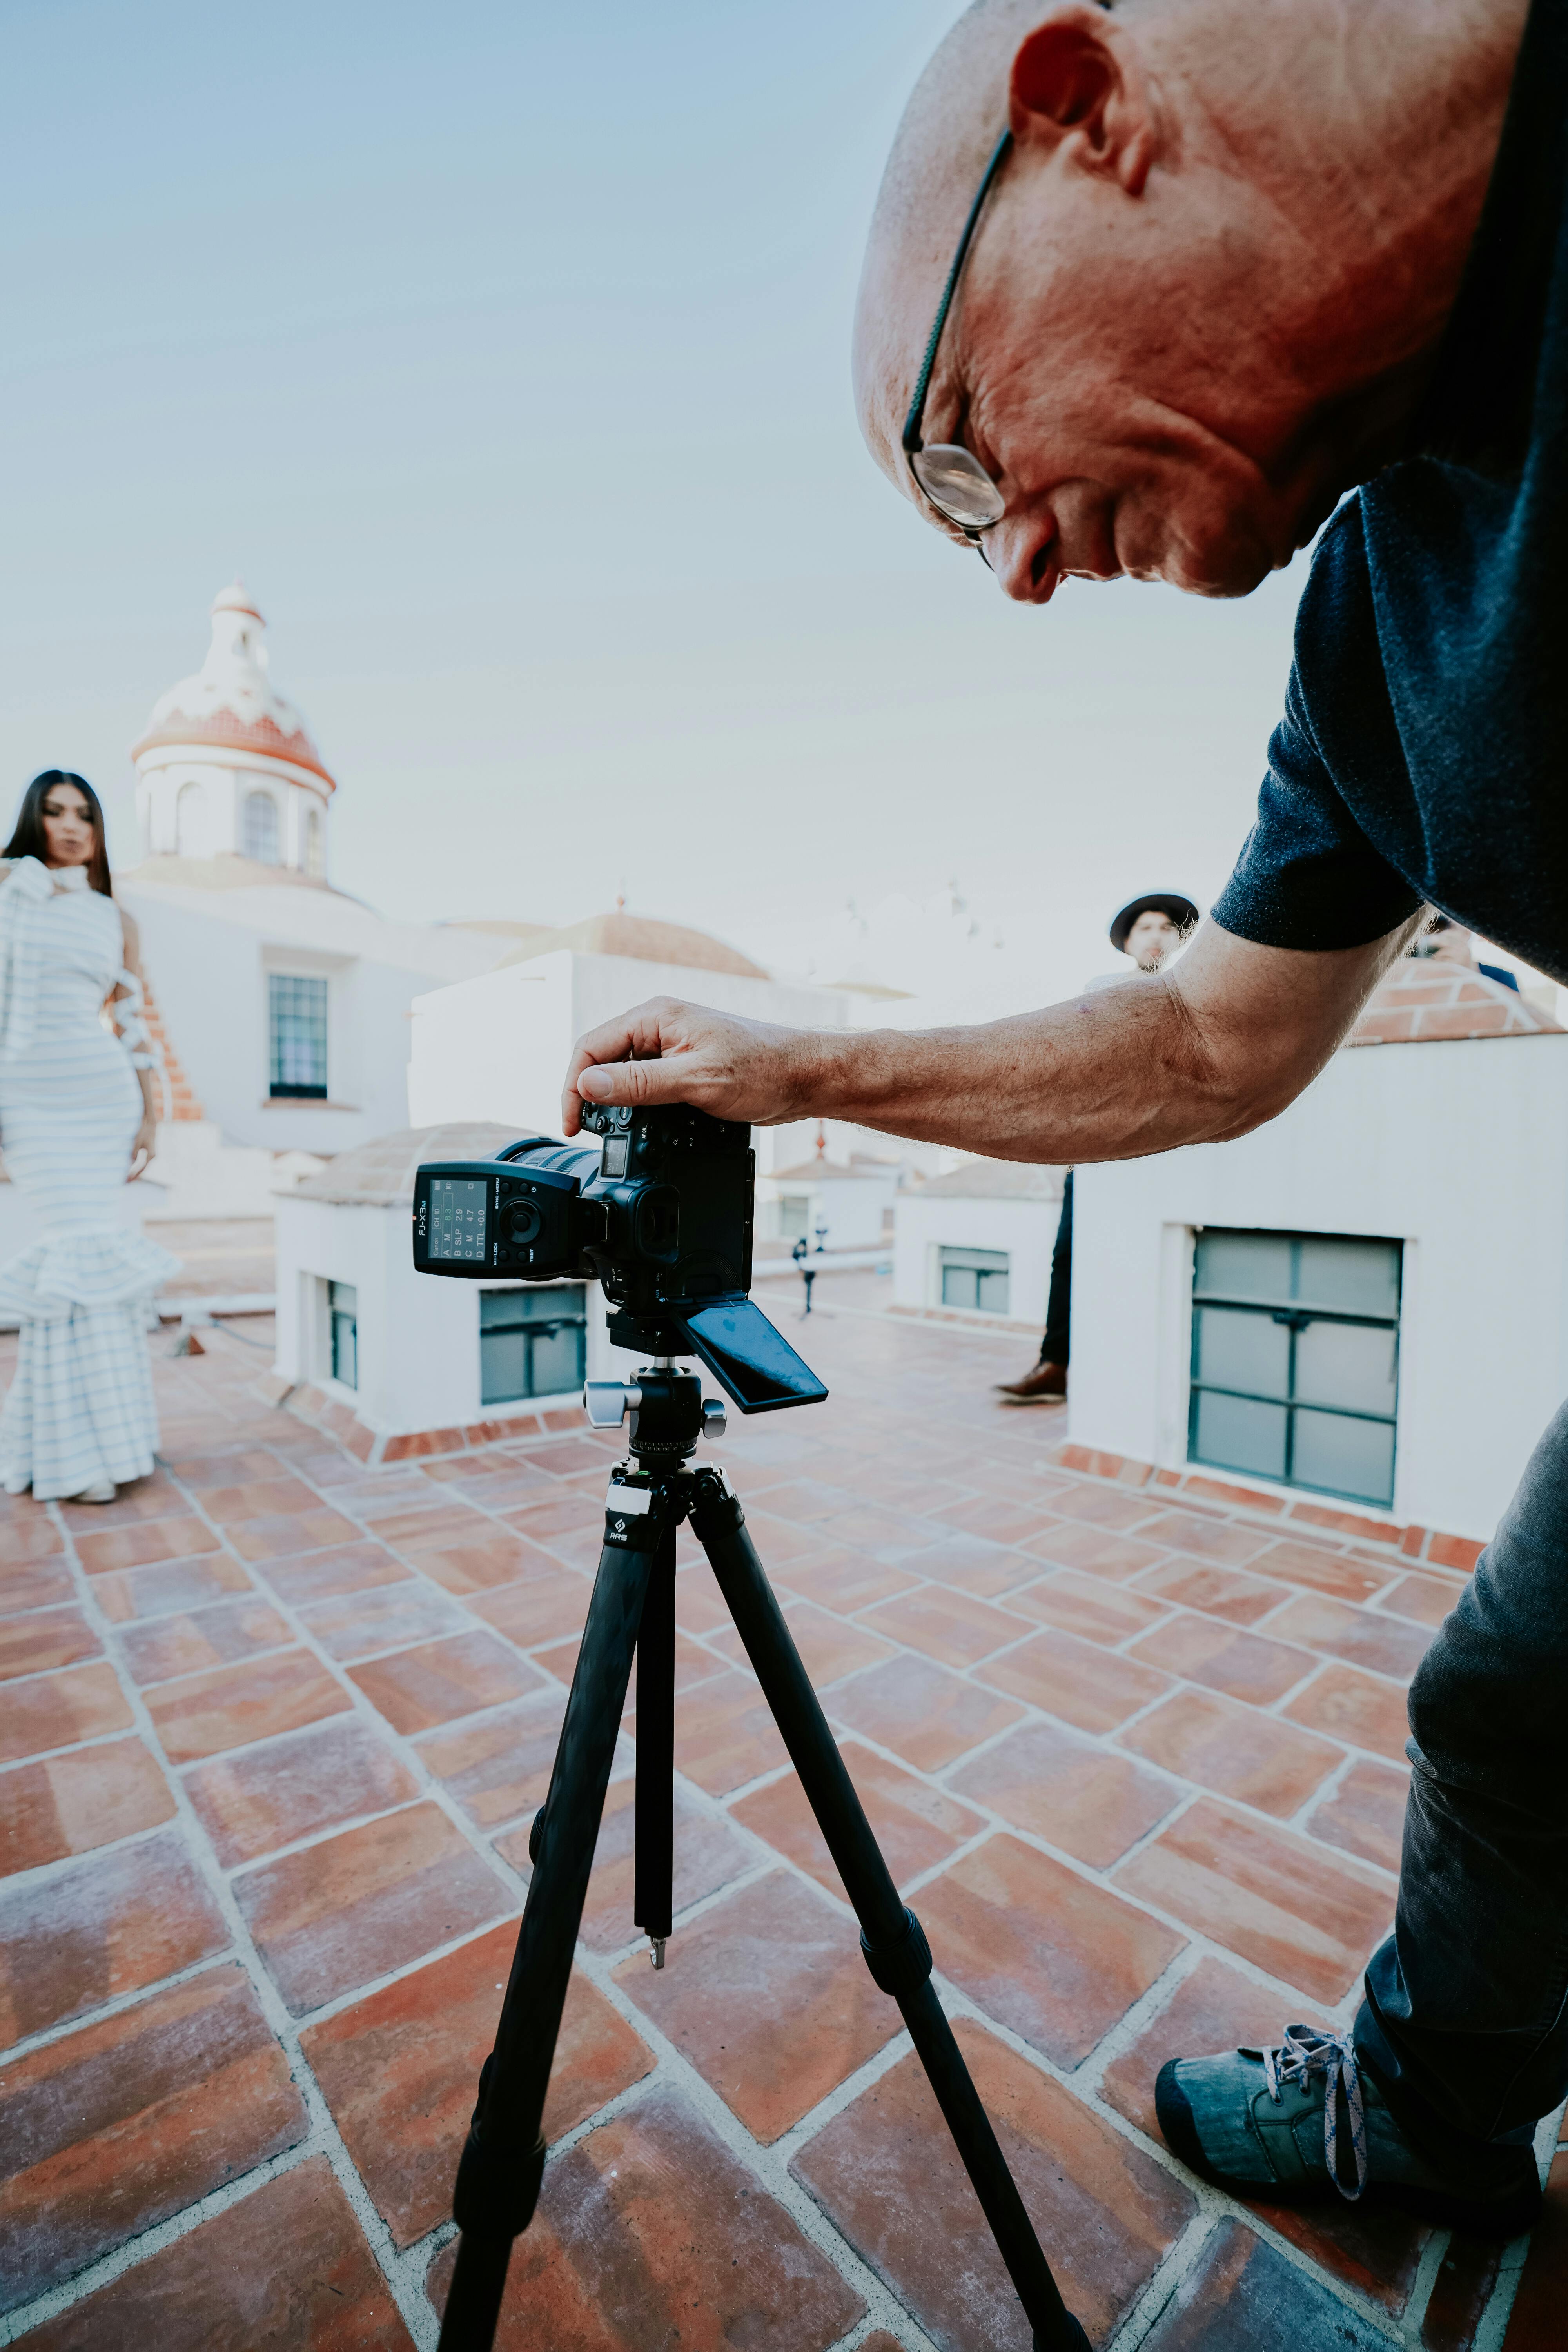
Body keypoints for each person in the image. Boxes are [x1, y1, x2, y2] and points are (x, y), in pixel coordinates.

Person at [559, 0, 1568, 2242]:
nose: (1011, 566)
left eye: (955, 455)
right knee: (1520, 1704)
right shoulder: (1376, 630)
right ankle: (1430, 2114)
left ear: (1082, 110)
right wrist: (802, 1067)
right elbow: (1210, 1045)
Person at [0, 772, 179, 1503]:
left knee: (92, 1265)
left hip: (98, 1092)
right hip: (27, 1095)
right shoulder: (8, 890)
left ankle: (109, 1450)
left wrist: (149, 1113)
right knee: (68, 1260)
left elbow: (134, 1025)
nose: (70, 827)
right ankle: (69, 1453)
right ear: (32, 820)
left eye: (85, 815)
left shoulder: (116, 919)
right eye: (54, 812)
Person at [996, 889, 1196, 1401]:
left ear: (1181, 939)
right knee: (1069, 1254)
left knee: (1151, 1256)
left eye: (1168, 928)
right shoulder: (1105, 988)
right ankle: (1055, 1363)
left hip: (1173, 1145)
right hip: (1102, 1147)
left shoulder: (1200, 986)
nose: (1157, 935)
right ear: (1129, 941)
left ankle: (1134, 1366)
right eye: (1146, 927)